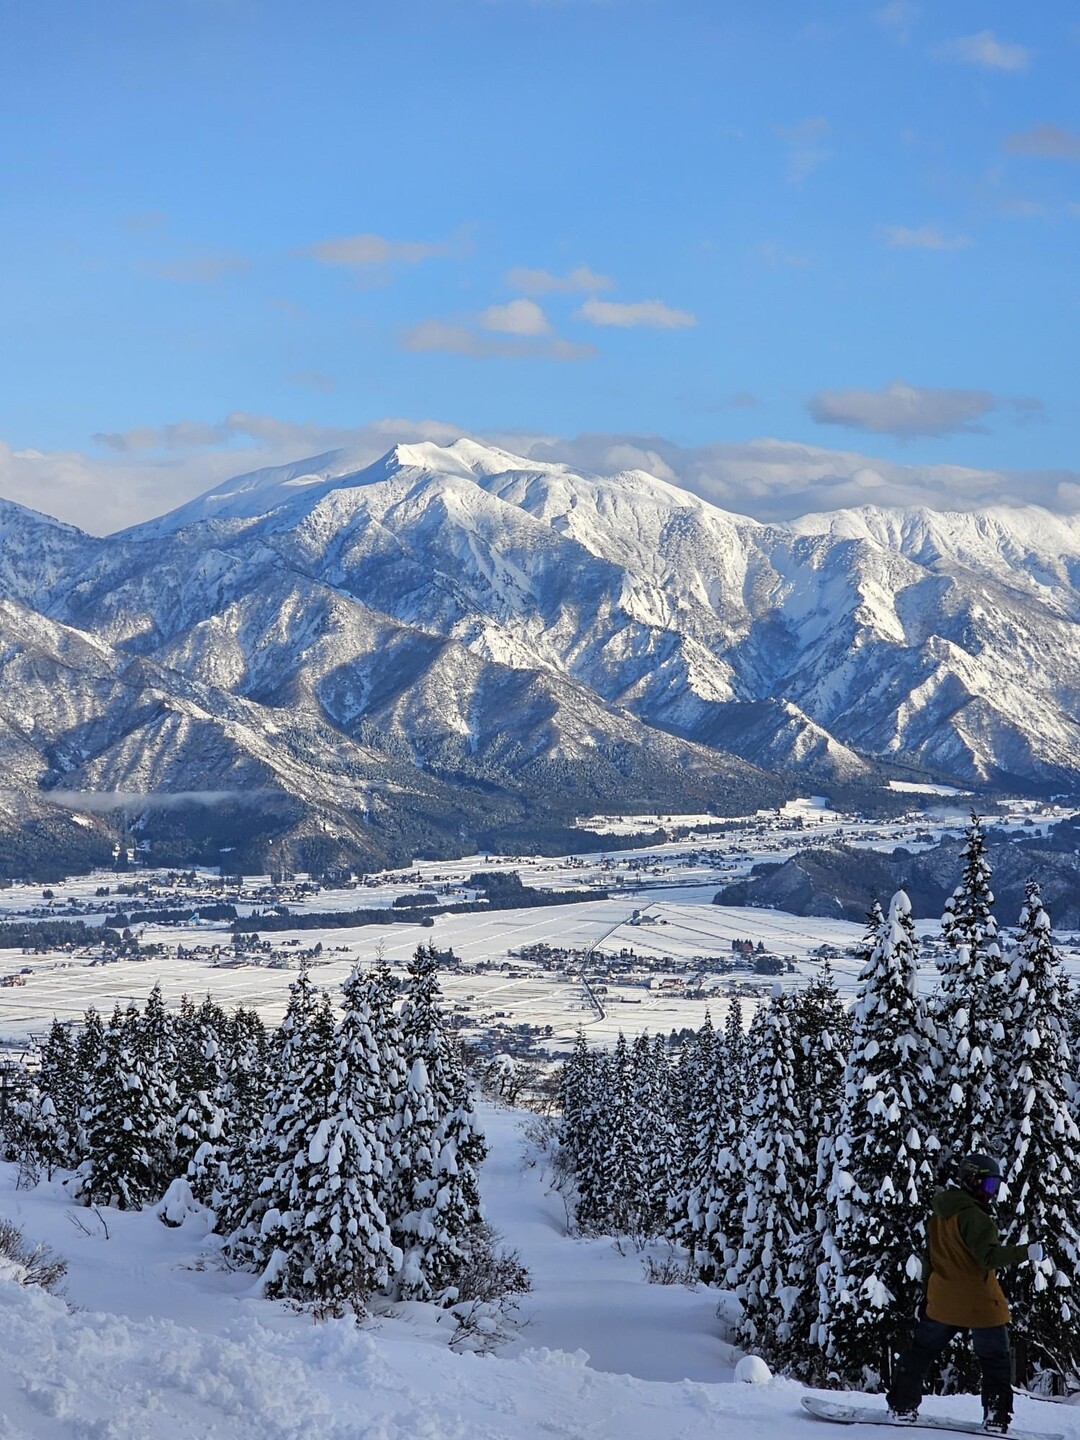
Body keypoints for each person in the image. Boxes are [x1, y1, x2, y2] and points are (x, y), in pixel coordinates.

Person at [886, 1153, 1043, 1435]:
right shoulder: (975, 1217)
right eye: (988, 1185)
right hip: (980, 1302)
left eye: (994, 1187)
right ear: (971, 1180)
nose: (991, 1193)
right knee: (995, 1358)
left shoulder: (941, 1213)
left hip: (943, 1297)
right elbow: (988, 1257)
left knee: (921, 1351)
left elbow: (929, 1257)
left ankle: (901, 1405)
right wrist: (1026, 1252)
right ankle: (996, 1416)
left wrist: (927, 1293)